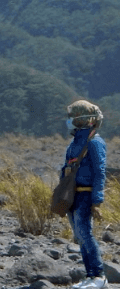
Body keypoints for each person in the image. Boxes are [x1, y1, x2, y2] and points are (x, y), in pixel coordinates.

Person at [63, 99, 107, 289]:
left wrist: (97, 201)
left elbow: (100, 172)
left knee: (86, 234)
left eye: (73, 116)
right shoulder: (75, 142)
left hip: (86, 195)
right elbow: (66, 168)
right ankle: (90, 276)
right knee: (80, 236)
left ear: (84, 119)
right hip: (73, 196)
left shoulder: (95, 142)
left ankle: (99, 276)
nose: (70, 119)